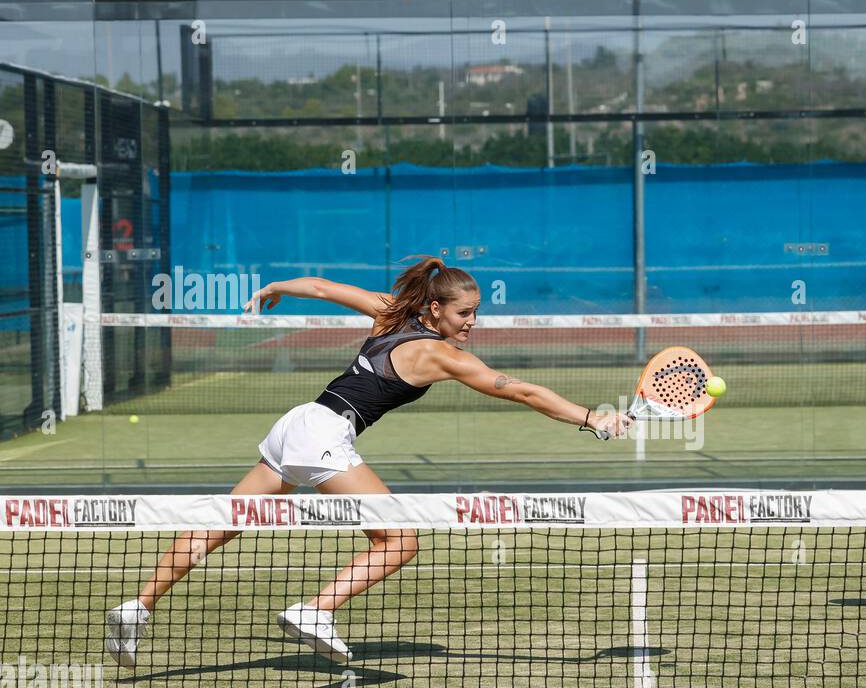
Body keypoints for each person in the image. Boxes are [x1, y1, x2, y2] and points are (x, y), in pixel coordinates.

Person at [105, 257, 631, 667]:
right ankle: (314, 609)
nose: (471, 322)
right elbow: (518, 390)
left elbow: (322, 288)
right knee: (400, 540)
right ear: (434, 310)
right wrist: (593, 417)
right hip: (325, 435)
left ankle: (137, 607)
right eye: (463, 313)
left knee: (224, 524)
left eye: (475, 312)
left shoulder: (389, 313)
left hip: (297, 423)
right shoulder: (440, 354)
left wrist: (276, 288)